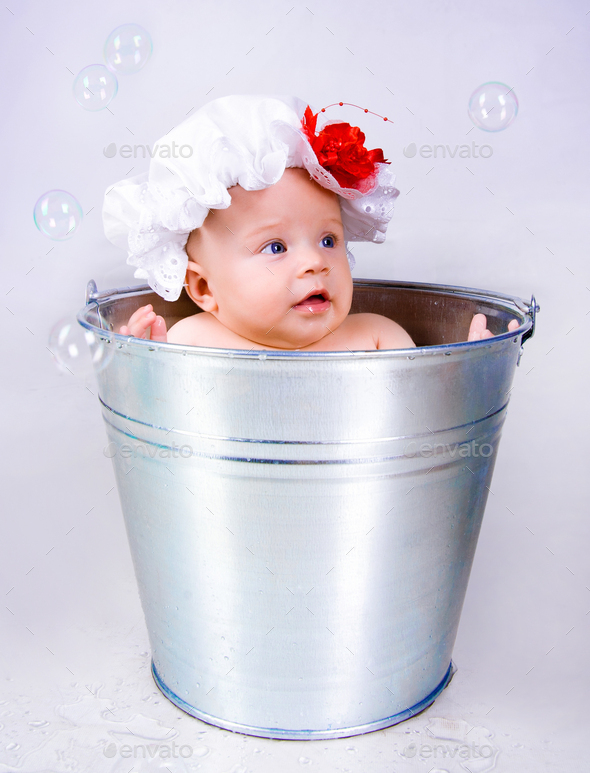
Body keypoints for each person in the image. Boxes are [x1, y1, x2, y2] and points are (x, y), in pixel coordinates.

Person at [104, 95, 518, 350]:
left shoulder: (376, 337)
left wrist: (464, 373)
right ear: (204, 288)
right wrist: (144, 359)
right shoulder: (190, 342)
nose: (316, 263)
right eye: (277, 247)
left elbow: (424, 416)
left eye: (327, 240)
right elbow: (164, 419)